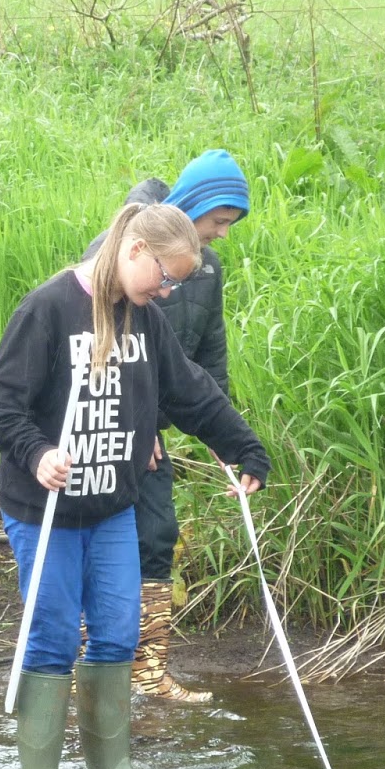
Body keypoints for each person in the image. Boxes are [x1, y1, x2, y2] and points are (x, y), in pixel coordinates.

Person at [0, 202, 268, 769]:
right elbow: (3, 402)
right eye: (165, 278)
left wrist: (244, 448)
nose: (167, 292)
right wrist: (39, 454)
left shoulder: (145, 320)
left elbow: (192, 393)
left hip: (113, 507)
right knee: (56, 637)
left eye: (178, 283)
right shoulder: (48, 309)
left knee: (118, 634)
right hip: (47, 512)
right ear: (136, 250)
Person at [84, 150, 250, 704]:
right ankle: (97, 670)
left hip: (152, 428)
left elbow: (209, 359)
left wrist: (226, 440)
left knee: (157, 536)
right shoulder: (120, 252)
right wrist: (134, 423)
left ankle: (150, 673)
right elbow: (94, 347)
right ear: (196, 204)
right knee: (103, 545)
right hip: (102, 428)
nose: (222, 235)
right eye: (219, 221)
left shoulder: (207, 270)